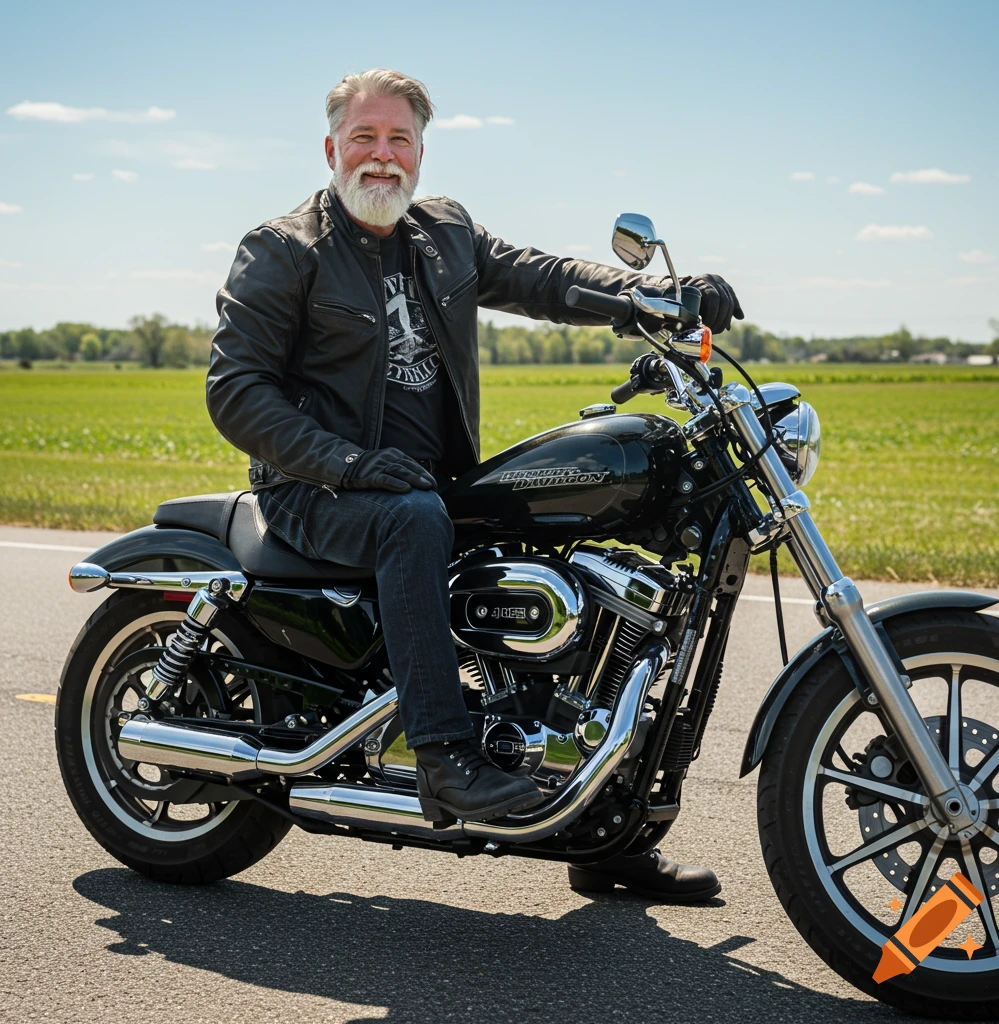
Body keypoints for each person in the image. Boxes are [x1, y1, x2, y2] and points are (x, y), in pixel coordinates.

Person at [207, 68, 742, 902]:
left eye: (398, 140)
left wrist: (656, 294)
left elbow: (539, 276)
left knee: (623, 547)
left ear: (420, 151)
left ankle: (606, 826)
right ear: (331, 148)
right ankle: (445, 757)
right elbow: (235, 390)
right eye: (364, 138)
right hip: (319, 491)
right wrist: (345, 464)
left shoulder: (445, 232)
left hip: (430, 481)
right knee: (411, 519)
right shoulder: (284, 249)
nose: (381, 157)